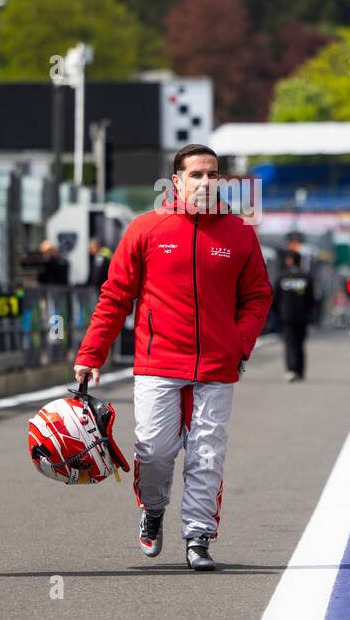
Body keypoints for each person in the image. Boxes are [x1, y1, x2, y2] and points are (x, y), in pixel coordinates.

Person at [73, 143, 272, 571]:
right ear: (176, 180)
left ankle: (199, 537)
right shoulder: (146, 229)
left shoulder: (238, 233)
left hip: (217, 366)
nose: (205, 182)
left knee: (206, 453)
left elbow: (257, 296)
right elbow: (115, 296)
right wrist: (92, 353)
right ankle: (154, 508)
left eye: (213, 174)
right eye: (196, 174)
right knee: (155, 451)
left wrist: (239, 343)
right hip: (157, 362)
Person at [276, 249, 316, 381]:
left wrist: (278, 313)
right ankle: (300, 371)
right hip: (302, 317)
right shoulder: (306, 277)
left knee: (289, 343)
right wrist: (309, 313)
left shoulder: (281, 277)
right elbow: (311, 299)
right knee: (300, 343)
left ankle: (291, 369)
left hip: (286, 316)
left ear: (289, 260)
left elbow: (275, 297)